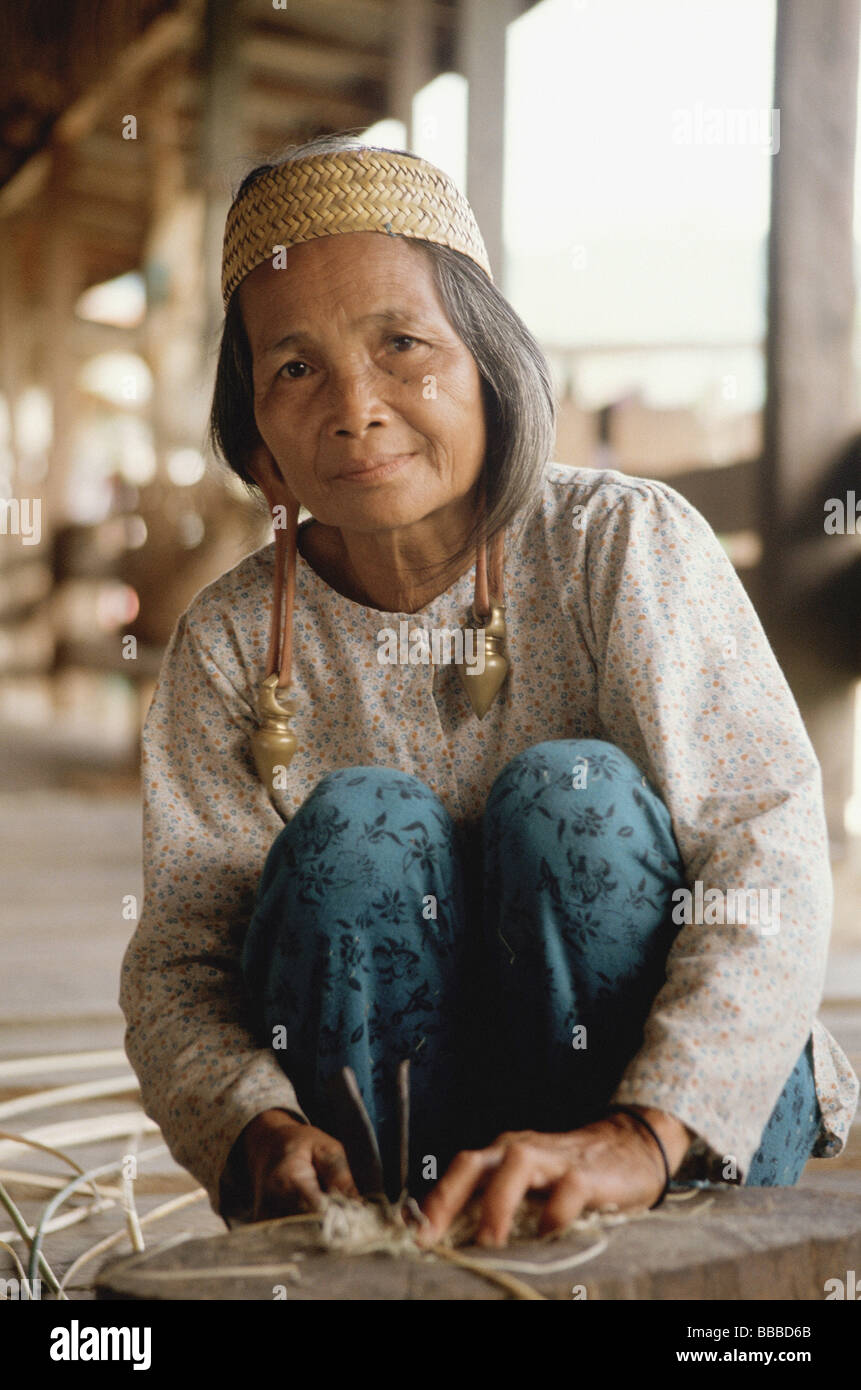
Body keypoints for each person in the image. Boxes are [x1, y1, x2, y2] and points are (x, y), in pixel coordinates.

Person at [120, 133, 858, 1251]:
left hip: (682, 1141)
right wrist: (248, 1120)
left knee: (573, 795)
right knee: (362, 831)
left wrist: (641, 1135)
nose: (355, 406)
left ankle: (624, 1181)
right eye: (294, 367)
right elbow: (181, 957)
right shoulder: (229, 642)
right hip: (407, 1179)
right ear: (257, 437)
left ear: (492, 366)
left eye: (402, 344)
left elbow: (768, 852)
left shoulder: (621, 545)